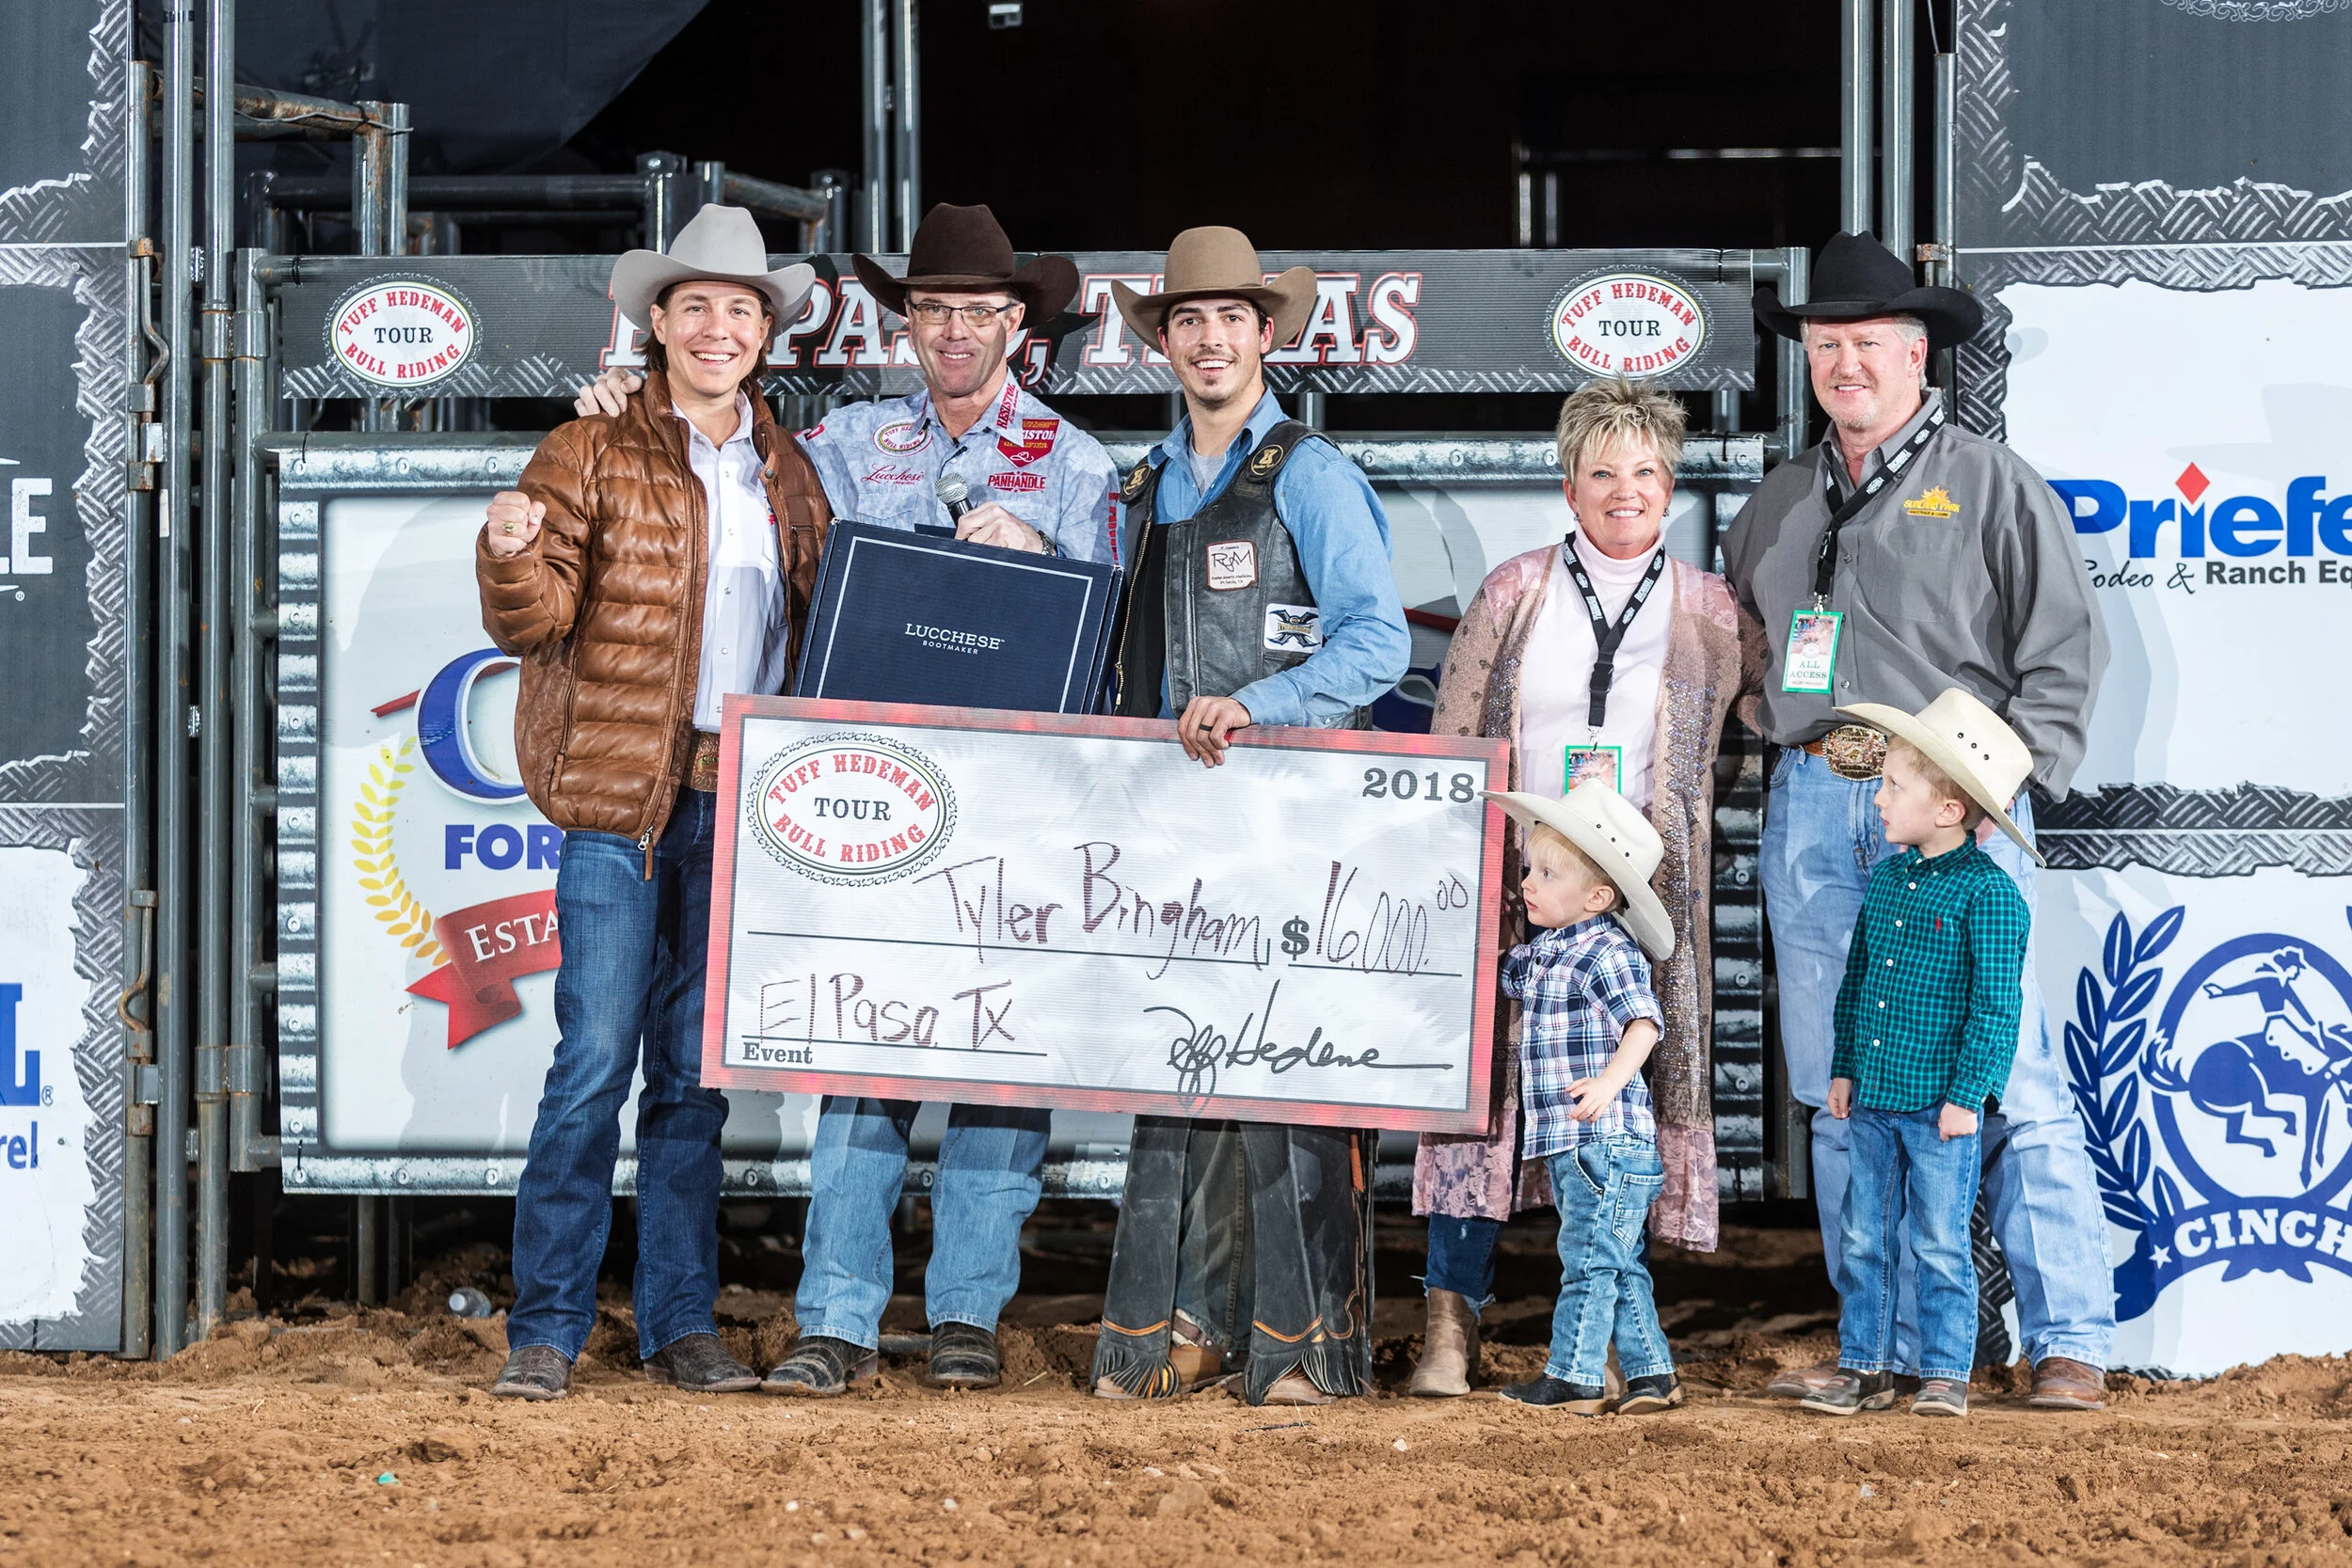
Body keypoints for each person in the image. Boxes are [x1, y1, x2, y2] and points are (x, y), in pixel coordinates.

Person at [577, 202, 1118, 1397]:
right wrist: (621, 401)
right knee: (866, 1035)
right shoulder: (842, 443)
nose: (954, 330)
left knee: (995, 1051)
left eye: (977, 310)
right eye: (931, 309)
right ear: (907, 320)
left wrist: (1038, 555)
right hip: (875, 792)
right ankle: (838, 1311)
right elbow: (724, 469)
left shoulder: (1076, 466)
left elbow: (1106, 639)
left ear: (1016, 323)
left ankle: (968, 1308)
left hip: (1017, 793)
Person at [1723, 231, 2113, 1412]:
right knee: (1841, 1089)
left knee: (2007, 1074)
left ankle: (2069, 1337)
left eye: (1866, 344)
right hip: (1814, 803)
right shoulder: (1782, 497)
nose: (1843, 364)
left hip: (1950, 809)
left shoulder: (1989, 482)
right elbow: (1746, 638)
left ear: (1916, 353)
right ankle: (1883, 1343)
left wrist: (1990, 798)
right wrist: (1764, 712)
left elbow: (2060, 655)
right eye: (1825, 344)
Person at [478, 205, 830, 1401]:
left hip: (737, 803)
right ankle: (547, 1325)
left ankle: (681, 1320)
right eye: (698, 306)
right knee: (591, 1065)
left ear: (764, 333)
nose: (720, 326)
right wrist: (510, 550)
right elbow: (528, 620)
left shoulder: (792, 468)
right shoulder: (587, 451)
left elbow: (820, 630)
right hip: (618, 805)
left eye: (742, 308)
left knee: (691, 1080)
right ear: (659, 323)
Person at [1088, 226, 1410, 1406]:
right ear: (1163, 342)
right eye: (1187, 321)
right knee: (1185, 1061)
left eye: (1231, 318)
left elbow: (1376, 640)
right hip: (1172, 828)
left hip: (1291, 819)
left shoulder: (1313, 475)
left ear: (1266, 335)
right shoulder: (1138, 487)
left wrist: (1255, 705)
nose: (1210, 338)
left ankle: (1302, 1340)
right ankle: (1189, 1325)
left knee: (1286, 1069)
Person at [1406, 379, 1753, 1399]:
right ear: (1568, 485)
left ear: (1669, 481)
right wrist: (1485, 865)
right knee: (1483, 1097)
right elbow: (1456, 728)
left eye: (1644, 470)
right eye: (1602, 471)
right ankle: (1448, 1325)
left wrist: (1658, 846)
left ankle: (1600, 1327)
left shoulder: (1708, 609)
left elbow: (1725, 744)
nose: (1624, 490)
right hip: (1518, 882)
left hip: (1630, 897)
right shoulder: (1516, 590)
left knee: (1608, 1107)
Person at [1799, 690, 2036, 1419]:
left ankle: (1942, 1372)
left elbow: (1997, 1007)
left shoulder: (1991, 896)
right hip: (1874, 1098)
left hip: (1939, 1108)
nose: (1878, 799)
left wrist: (1971, 1093)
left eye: (1894, 786)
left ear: (1949, 810)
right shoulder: (1889, 879)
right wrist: (1844, 1065)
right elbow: (1860, 980)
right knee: (1864, 1236)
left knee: (1939, 1242)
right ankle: (1865, 1366)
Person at [1482, 784, 1683, 1416]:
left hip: (1607, 1140)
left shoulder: (1607, 950)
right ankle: (1653, 1375)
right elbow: (1502, 970)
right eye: (1529, 868)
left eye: (1547, 872)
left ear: (1597, 897)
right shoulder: (1549, 949)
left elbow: (1644, 1023)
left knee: (1591, 1260)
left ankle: (1575, 1374)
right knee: (1615, 1260)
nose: (1529, 882)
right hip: (1580, 1143)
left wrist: (1610, 1081)